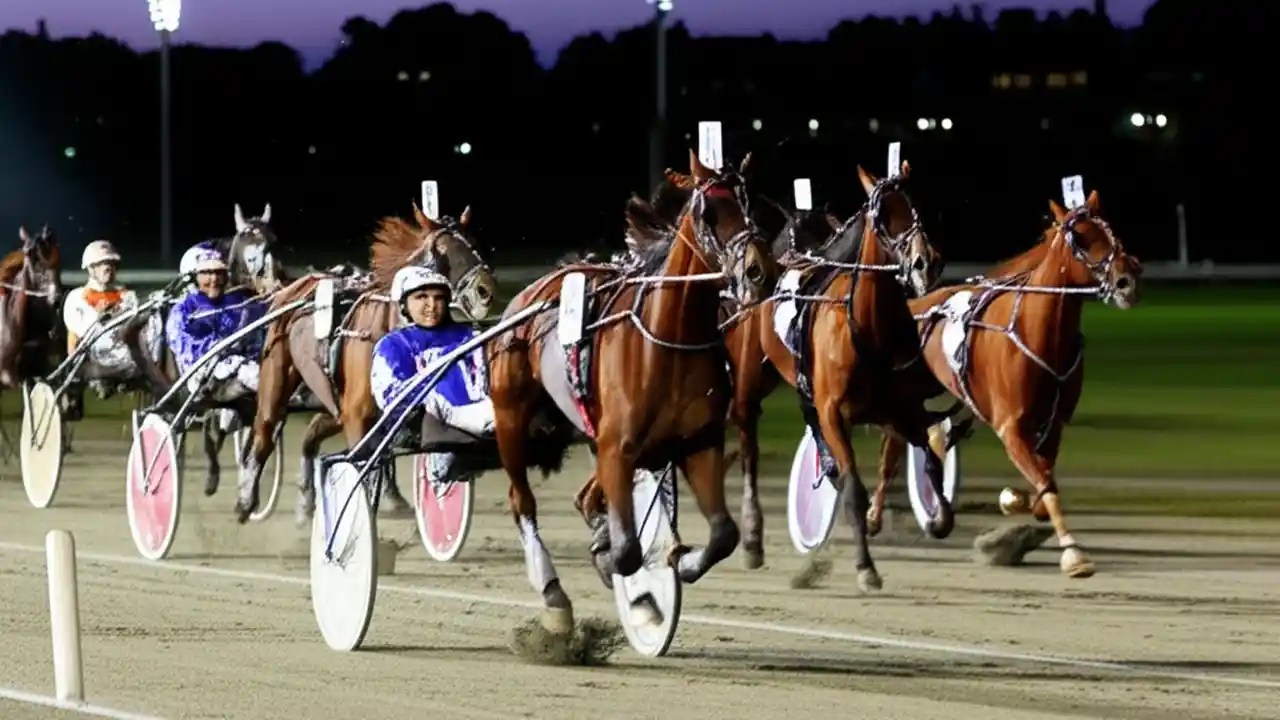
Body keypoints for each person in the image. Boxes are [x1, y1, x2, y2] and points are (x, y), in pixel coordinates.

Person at [370, 266, 492, 480]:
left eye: (439, 298)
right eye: (421, 297)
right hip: (429, 418)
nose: (431, 305)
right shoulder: (392, 345)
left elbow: (484, 375)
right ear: (404, 305)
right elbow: (390, 395)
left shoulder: (470, 335)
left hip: (480, 409)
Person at [164, 247, 267, 402]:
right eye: (207, 273)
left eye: (219, 273)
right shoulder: (183, 309)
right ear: (196, 277)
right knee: (257, 376)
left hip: (234, 370)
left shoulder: (236, 304)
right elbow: (185, 348)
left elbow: (261, 315)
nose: (214, 279)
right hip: (200, 377)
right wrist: (225, 351)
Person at [60, 240, 139, 412]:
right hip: (91, 355)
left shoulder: (127, 296)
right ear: (90, 268)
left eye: (111, 263)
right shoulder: (76, 298)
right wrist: (100, 317)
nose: (108, 267)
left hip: (124, 354)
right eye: (103, 264)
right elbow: (78, 331)